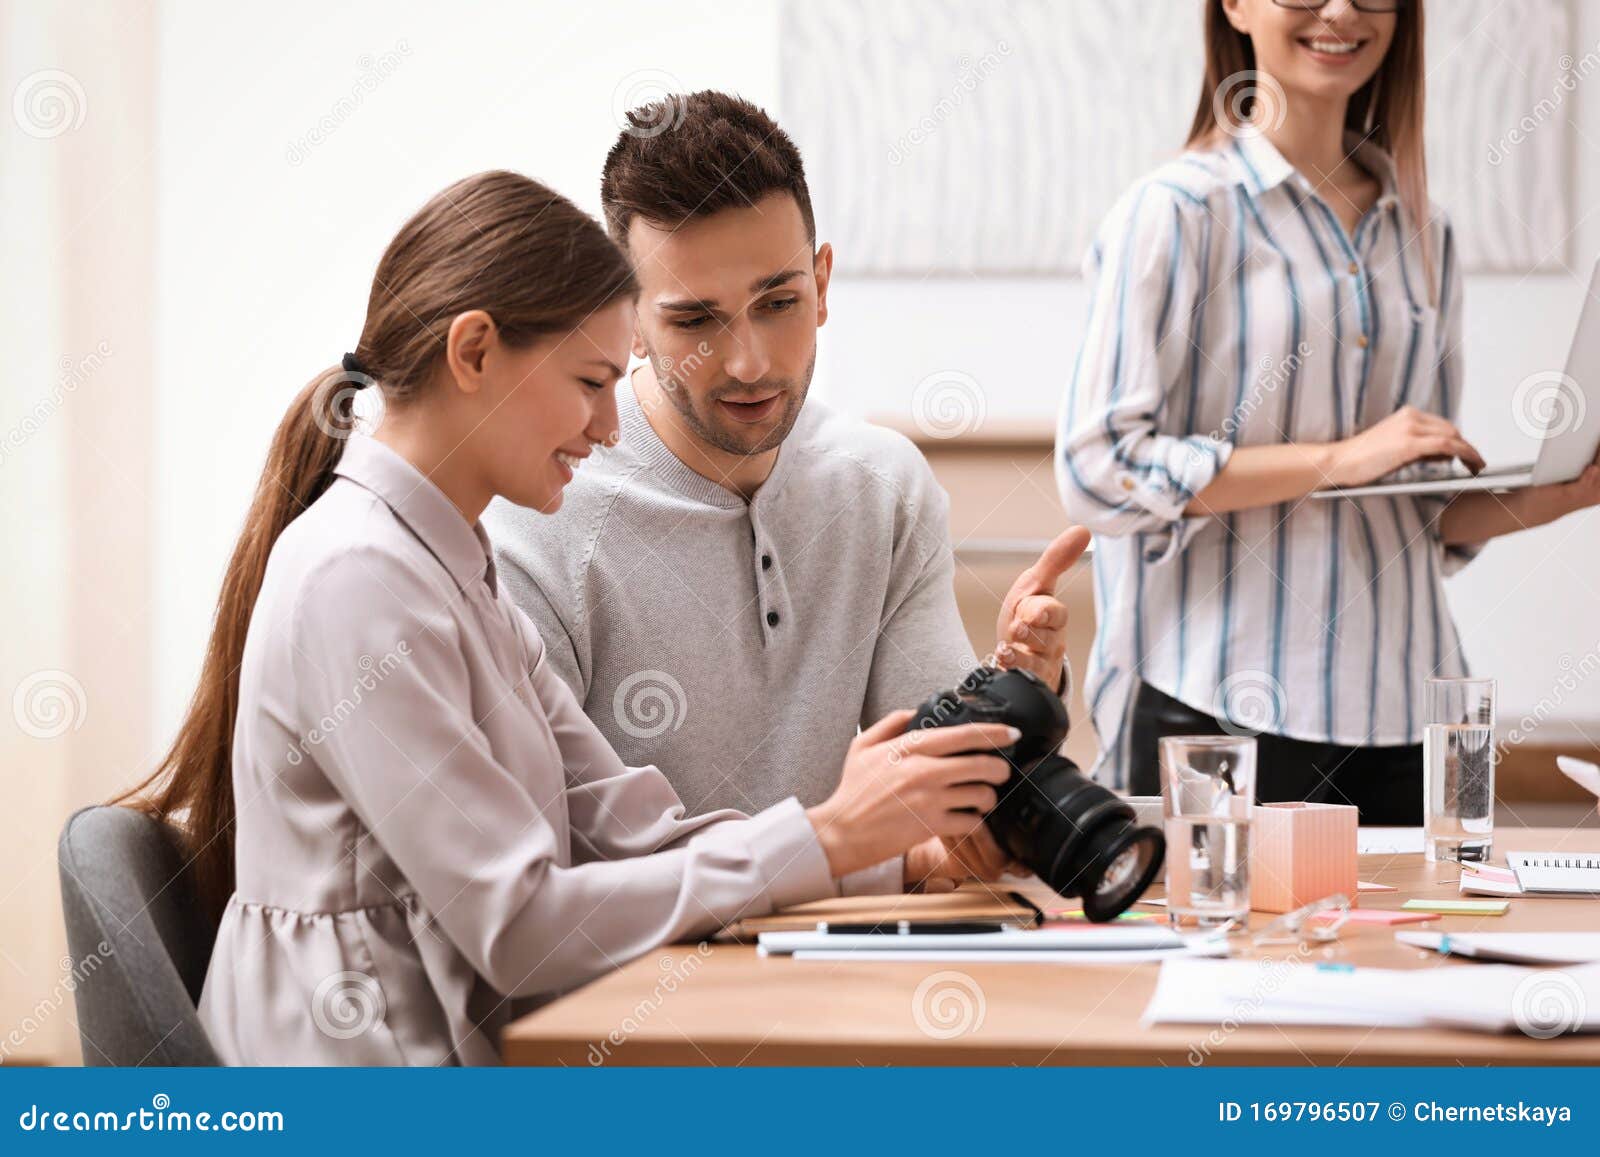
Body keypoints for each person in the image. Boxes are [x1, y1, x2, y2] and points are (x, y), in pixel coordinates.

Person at [117, 171, 1020, 1065]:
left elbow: (633, 831)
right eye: (592, 381)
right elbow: (517, 925)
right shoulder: (358, 577)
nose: (609, 427)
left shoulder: (454, 571)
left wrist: (881, 849)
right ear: (474, 352)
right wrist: (825, 835)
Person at [484, 91, 1089, 890]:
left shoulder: (883, 488)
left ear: (823, 282)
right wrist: (864, 860)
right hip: (641, 967)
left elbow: (943, 812)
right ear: (626, 322)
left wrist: (1017, 688)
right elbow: (551, 882)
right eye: (696, 320)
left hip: (838, 949)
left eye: (778, 303)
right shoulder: (541, 517)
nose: (750, 363)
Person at [1057, 0, 1600, 819]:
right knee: (1218, 911)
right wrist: (1336, 459)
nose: (1342, 10)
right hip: (1217, 712)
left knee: (1447, 909)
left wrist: (1564, 493)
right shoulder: (1176, 212)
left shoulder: (1427, 231)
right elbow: (1100, 468)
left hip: (1414, 717)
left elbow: (1411, 513)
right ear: (1236, 6)